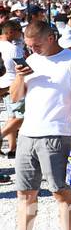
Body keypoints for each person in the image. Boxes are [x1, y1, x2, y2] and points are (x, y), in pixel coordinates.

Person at [0, 21, 71, 230]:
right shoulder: (33, 62)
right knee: (25, 193)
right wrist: (19, 76)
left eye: (36, 45)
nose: (33, 50)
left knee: (60, 190)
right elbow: (16, 97)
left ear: (51, 37)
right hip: (28, 134)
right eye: (29, 46)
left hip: (56, 134)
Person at [1, 20, 24, 162]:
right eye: (18, 31)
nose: (20, 34)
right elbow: (23, 66)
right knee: (21, 116)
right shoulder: (14, 49)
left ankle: (12, 148)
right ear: (10, 32)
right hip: (14, 84)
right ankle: (2, 135)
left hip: (3, 85)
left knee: (11, 116)